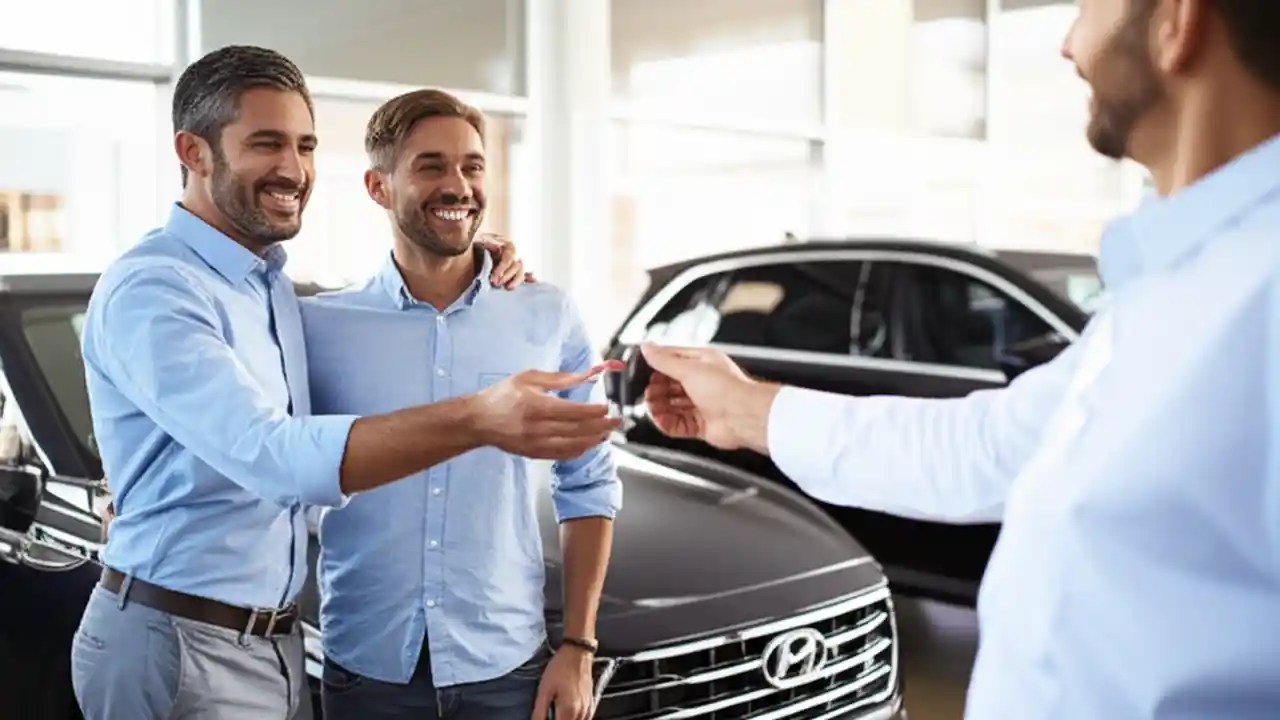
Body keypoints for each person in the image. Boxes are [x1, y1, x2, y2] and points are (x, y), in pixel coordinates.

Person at [638, 1, 1280, 717]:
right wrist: (741, 407)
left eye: (1090, 6)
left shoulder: (1258, 295)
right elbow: (988, 446)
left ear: (1176, 22)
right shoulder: (1172, 288)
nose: (1068, 45)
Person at [72, 46, 619, 720]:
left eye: (305, 146)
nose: (293, 168)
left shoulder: (269, 289)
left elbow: (590, 482)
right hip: (205, 645)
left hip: (292, 646)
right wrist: (480, 416)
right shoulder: (167, 288)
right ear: (194, 151)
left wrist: (579, 642)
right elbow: (273, 453)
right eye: (266, 143)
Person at [299, 89, 620, 720]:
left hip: (504, 664)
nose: (459, 185)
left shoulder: (544, 313)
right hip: (366, 666)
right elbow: (253, 448)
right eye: (431, 166)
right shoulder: (319, 328)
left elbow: (588, 483)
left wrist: (578, 646)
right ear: (377, 186)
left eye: (473, 166)